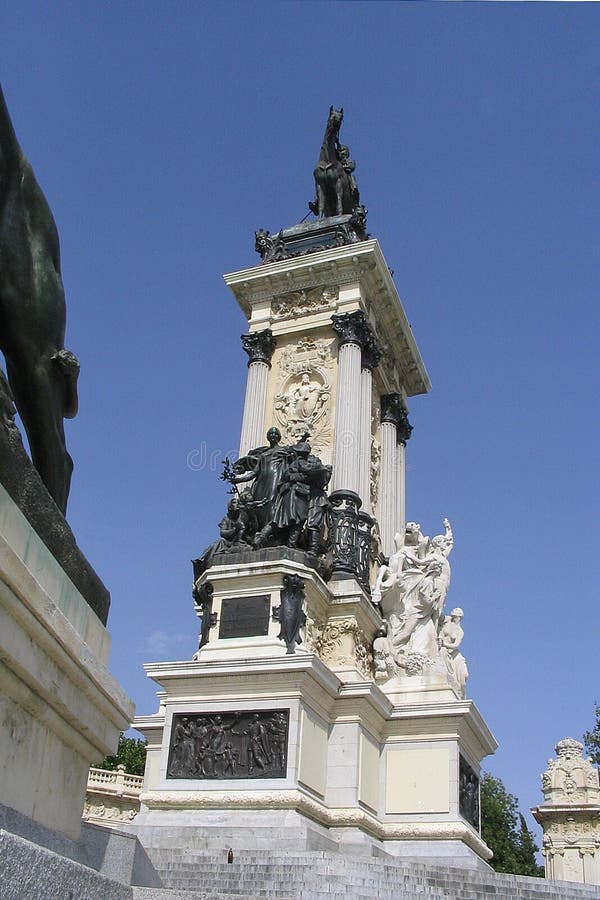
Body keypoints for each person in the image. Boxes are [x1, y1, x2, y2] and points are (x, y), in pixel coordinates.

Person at [438, 608, 468, 698]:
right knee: (443, 652)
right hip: (443, 650)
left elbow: (456, 645)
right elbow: (437, 617)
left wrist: (444, 644)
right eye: (453, 616)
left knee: (464, 675)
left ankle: (462, 696)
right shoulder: (447, 621)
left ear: (460, 618)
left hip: (455, 655)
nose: (453, 618)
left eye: (455, 617)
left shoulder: (460, 631)